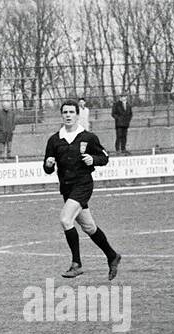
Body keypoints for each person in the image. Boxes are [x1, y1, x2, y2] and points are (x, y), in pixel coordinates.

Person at [44, 99, 121, 280]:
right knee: (88, 226)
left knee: (65, 219)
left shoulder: (88, 137)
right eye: (65, 112)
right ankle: (112, 255)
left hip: (83, 185)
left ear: (78, 115)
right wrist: (48, 164)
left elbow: (104, 157)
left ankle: (76, 263)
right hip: (67, 188)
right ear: (62, 115)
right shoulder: (55, 140)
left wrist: (93, 159)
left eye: (72, 112)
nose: (68, 115)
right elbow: (47, 167)